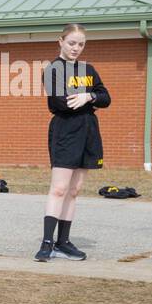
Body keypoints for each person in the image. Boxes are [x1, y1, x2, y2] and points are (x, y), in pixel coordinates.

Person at [36, 23, 111, 262]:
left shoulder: (88, 69)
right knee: (59, 188)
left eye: (80, 44)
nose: (76, 48)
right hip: (65, 131)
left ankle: (64, 242)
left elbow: (106, 97)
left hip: (88, 131)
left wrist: (89, 96)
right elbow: (60, 103)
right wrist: (89, 98)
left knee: (75, 190)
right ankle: (47, 243)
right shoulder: (53, 70)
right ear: (60, 41)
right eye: (71, 43)